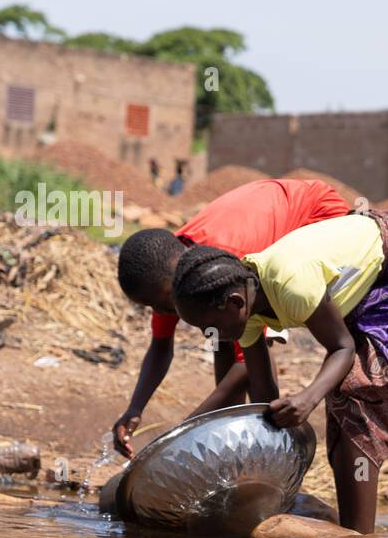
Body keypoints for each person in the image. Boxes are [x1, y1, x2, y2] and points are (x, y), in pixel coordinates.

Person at [170, 208, 388, 534]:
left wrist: (307, 399)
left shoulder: (291, 284)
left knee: (359, 392)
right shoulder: (247, 307)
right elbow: (265, 394)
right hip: (376, 263)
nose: (211, 336)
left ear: (235, 303)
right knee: (342, 396)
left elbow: (343, 348)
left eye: (209, 326)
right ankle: (350, 532)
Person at [112, 178, 349, 456]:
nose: (161, 312)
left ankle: (274, 446)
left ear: (175, 282)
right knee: (222, 335)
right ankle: (237, 437)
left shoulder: (224, 270)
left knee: (259, 336)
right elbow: (161, 346)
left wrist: (180, 433)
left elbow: (248, 362)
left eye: (162, 304)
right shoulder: (166, 272)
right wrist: (135, 408)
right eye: (152, 306)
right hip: (263, 209)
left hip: (317, 215)